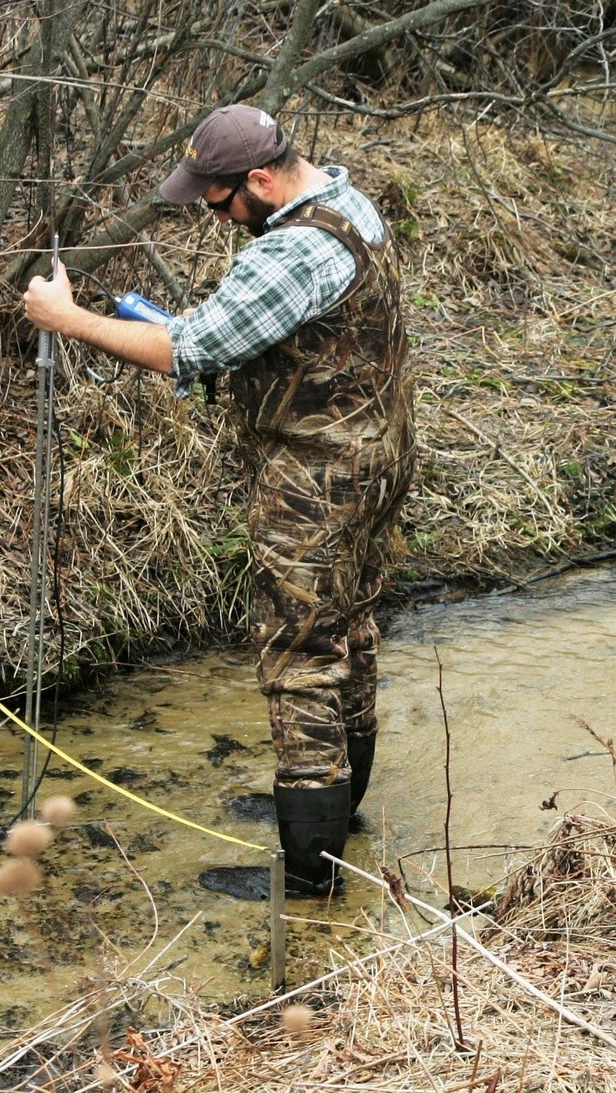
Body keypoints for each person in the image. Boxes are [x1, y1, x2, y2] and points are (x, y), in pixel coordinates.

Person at [23, 104, 416, 901]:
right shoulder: (350, 202)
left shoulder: (289, 254)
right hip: (381, 461)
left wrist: (65, 319)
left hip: (319, 482)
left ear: (262, 180)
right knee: (351, 632)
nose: (213, 213)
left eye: (219, 200)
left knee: (300, 658)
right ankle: (337, 825)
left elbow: (186, 351)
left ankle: (311, 880)